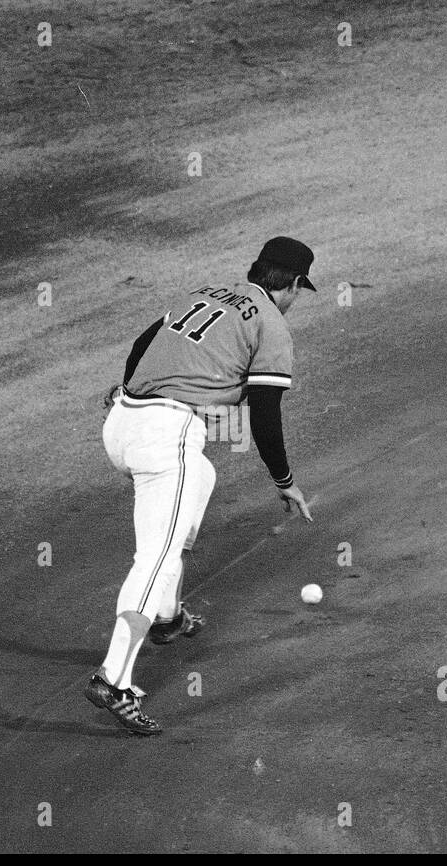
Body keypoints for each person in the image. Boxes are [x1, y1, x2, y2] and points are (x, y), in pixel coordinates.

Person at [85, 237, 317, 735]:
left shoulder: (207, 293)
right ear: (293, 284)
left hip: (122, 424)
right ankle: (114, 679)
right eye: (300, 289)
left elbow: (142, 343)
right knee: (157, 558)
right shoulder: (271, 325)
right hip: (165, 437)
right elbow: (266, 414)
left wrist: (129, 391)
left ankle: (167, 616)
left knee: (202, 475)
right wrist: (285, 482)